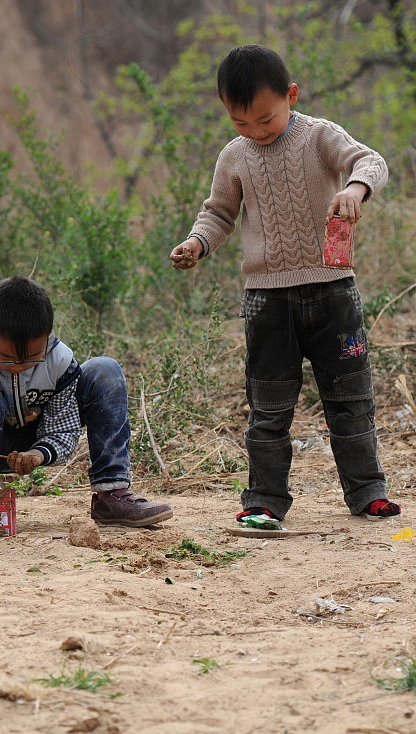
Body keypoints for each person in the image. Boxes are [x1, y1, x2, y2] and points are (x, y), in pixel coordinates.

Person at [169, 44, 399, 523]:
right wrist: (197, 243)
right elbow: (219, 213)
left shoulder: (318, 137)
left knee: (351, 401)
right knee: (268, 411)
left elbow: (370, 160)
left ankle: (366, 492)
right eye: (240, 122)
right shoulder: (234, 157)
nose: (255, 131)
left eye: (265, 119)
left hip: (333, 292)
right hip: (267, 303)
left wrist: (355, 188)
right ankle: (264, 501)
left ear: (291, 96)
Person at [0, 276, 173, 529]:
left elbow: (63, 430)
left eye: (31, 358)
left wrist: (38, 455)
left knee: (105, 370)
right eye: (6, 357)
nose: (19, 367)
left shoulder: (59, 361)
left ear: (48, 334)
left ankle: (111, 494)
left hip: (33, 444)